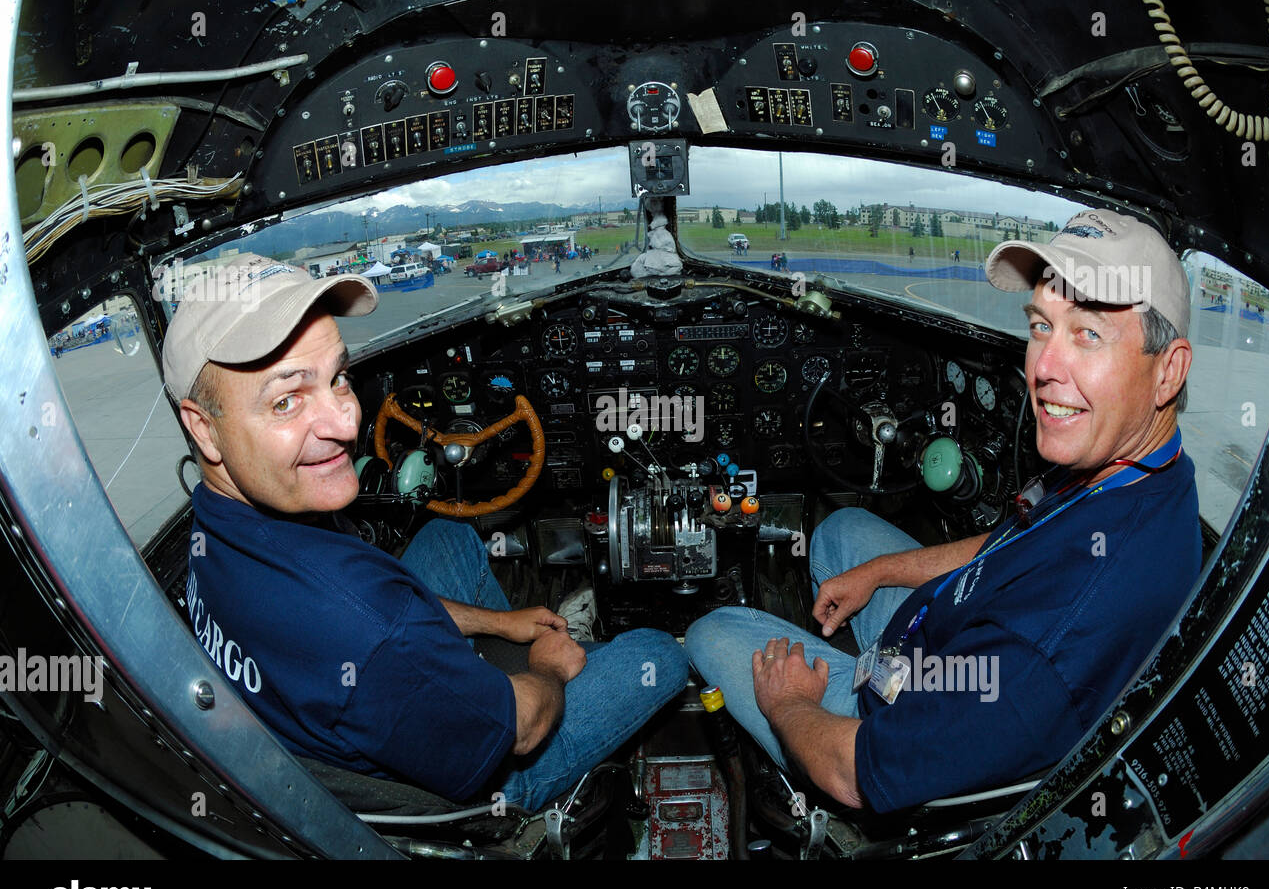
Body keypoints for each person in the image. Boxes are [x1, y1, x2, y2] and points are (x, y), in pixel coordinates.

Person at [687, 209, 1199, 811]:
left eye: (1088, 334)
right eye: (1041, 327)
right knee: (842, 532)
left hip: (906, 718)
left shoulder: (1051, 646)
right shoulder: (1140, 474)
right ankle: (863, 659)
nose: (1043, 370)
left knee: (706, 632)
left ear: (1169, 371)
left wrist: (789, 703)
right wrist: (881, 572)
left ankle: (834, 717)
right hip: (941, 646)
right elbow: (1008, 547)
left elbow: (855, 774)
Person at [164, 254, 687, 811]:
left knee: (448, 536)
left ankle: (494, 645)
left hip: (350, 707)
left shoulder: (216, 529)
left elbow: (382, 612)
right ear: (203, 427)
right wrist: (546, 668)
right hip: (485, 773)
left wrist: (501, 624)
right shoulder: (364, 626)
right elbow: (523, 726)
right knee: (661, 656)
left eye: (338, 377)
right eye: (286, 399)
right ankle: (558, 675)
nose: (347, 424)